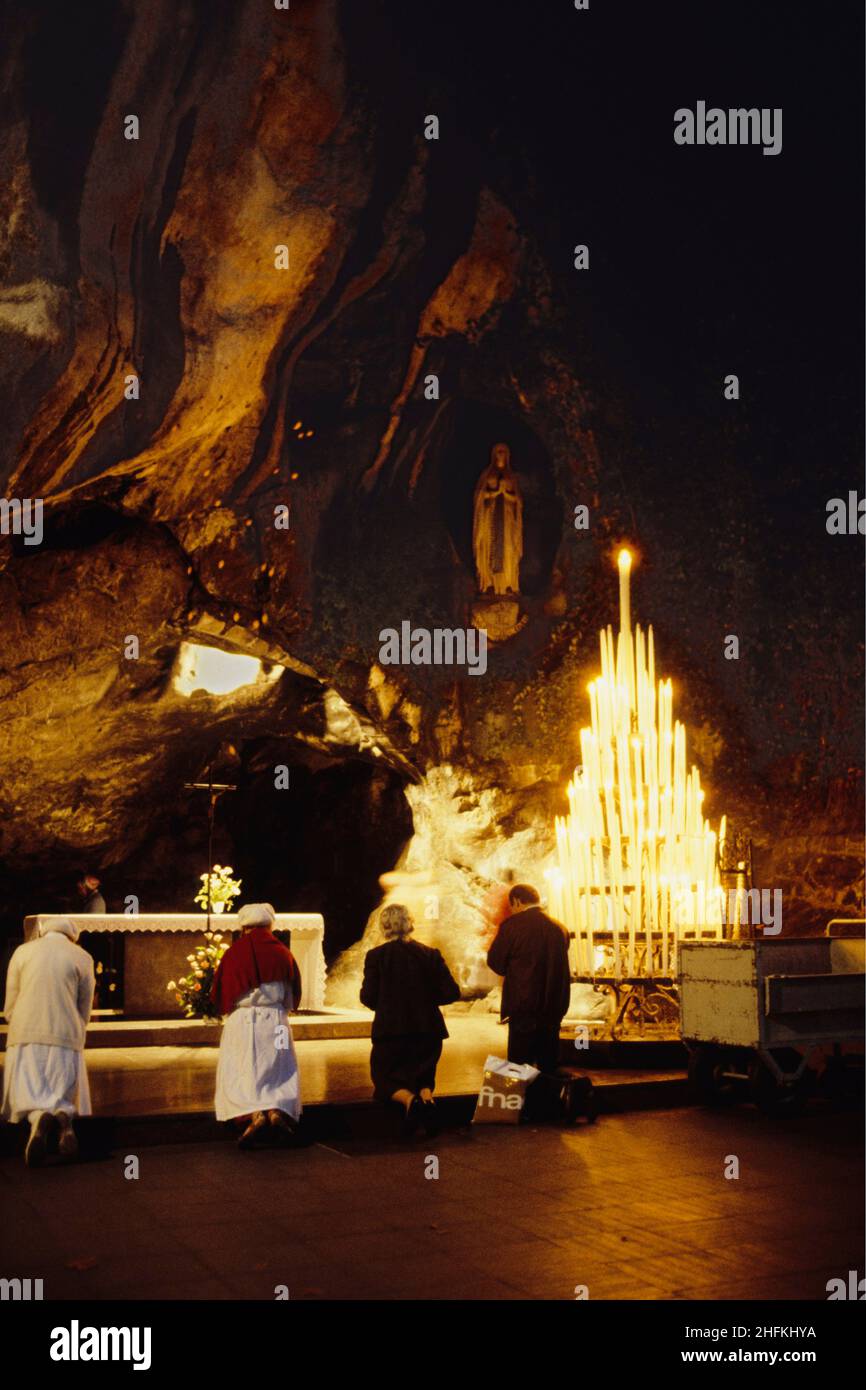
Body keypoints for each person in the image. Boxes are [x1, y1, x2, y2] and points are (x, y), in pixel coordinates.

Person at [1, 916, 95, 1167]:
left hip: (26, 1031)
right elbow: (84, 1008)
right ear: (71, 935)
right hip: (65, 1033)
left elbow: (11, 1000)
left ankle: (38, 1118)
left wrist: (16, 1021)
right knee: (61, 1090)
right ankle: (64, 1117)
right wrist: (76, 1028)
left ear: (43, 931)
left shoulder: (23, 951)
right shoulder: (82, 956)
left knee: (29, 1089)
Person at [360, 903, 461, 1134]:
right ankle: (427, 1100)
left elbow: (367, 996)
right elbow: (451, 992)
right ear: (410, 924)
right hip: (429, 1029)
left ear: (384, 927)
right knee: (424, 1074)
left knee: (384, 1077)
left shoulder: (376, 956)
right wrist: (425, 1000)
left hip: (391, 1030)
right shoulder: (430, 954)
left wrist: (387, 1005)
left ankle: (410, 1102)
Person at [211, 902, 303, 1149]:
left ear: (244, 928)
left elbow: (223, 993)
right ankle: (275, 1111)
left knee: (244, 1069)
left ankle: (254, 1116)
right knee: (280, 1068)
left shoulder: (234, 953)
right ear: (270, 925)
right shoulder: (283, 951)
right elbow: (290, 995)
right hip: (276, 1020)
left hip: (243, 1020)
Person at [486, 884, 571, 1112]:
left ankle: (519, 1110)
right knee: (548, 1060)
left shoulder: (512, 926)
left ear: (516, 902)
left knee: (519, 1060)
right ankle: (551, 1108)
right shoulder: (559, 928)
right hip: (553, 1004)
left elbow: (495, 962)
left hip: (523, 1004)